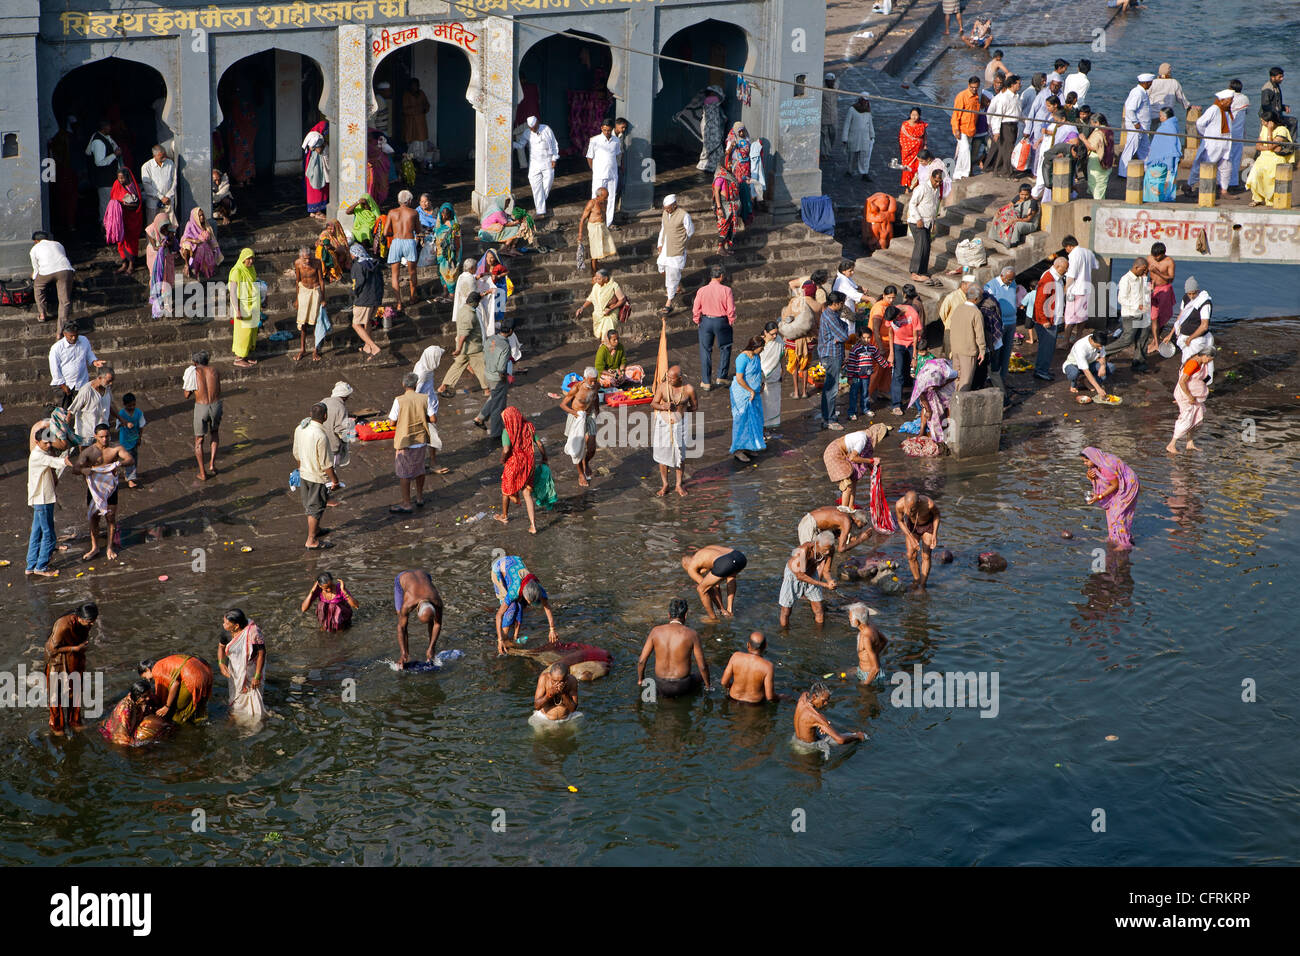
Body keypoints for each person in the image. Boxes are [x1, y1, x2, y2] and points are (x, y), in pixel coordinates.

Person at [75, 421, 130, 561]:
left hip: (111, 489)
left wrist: (118, 464)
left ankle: (109, 547)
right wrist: (83, 470)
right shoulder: (89, 452)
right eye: (101, 437)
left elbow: (130, 459)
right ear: (95, 436)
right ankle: (95, 547)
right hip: (95, 490)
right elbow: (75, 468)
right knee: (94, 518)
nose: (105, 439)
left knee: (110, 518)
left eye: (107, 436)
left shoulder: (115, 449)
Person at [637, 599, 711, 698]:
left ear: (668, 615)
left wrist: (641, 680)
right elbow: (702, 666)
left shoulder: (655, 631)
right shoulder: (692, 634)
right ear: (685, 616)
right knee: (701, 676)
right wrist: (708, 686)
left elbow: (641, 661)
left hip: (660, 685)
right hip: (682, 686)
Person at [45, 603, 97, 735]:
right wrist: (75, 648)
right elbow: (52, 649)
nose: (92, 625)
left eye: (93, 621)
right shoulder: (63, 625)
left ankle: (74, 721)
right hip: (58, 662)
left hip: (75, 660)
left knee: (76, 691)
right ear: (79, 618)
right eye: (90, 622)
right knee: (56, 695)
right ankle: (57, 726)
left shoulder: (84, 624)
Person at [292, 403, 339, 550]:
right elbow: (326, 464)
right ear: (325, 416)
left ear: (310, 413)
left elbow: (296, 452)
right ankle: (311, 540)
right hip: (316, 477)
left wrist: (300, 469)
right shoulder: (320, 435)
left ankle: (316, 530)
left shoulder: (300, 428)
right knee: (315, 508)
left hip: (304, 473)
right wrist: (334, 480)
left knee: (311, 505)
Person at [498, 405, 549, 534]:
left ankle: (504, 516)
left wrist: (503, 460)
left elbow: (506, 450)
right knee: (527, 493)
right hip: (529, 463)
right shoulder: (529, 427)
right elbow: (540, 444)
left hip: (514, 463)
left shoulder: (507, 432)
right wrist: (544, 458)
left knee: (506, 489)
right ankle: (533, 525)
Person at [492, 555, 556, 655]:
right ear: (523, 593)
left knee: (520, 605)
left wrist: (552, 629)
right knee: (511, 607)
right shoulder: (514, 591)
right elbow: (499, 615)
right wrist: (499, 639)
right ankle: (504, 639)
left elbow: (547, 607)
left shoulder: (538, 588)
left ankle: (514, 638)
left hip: (514, 563)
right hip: (499, 569)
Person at [26, 427, 68, 578]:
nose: (49, 445)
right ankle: (41, 566)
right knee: (49, 535)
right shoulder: (38, 455)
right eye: (46, 443)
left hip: (42, 500)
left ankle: (31, 565)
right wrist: (66, 461)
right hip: (43, 501)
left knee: (36, 533)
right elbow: (53, 462)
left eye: (50, 442)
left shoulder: (42, 453)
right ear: (37, 442)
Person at [389, 372, 432, 514]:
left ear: (403, 385)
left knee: (404, 473)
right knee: (420, 469)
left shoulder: (399, 400)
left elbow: (392, 422)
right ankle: (419, 497)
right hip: (420, 439)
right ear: (416, 384)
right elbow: (433, 418)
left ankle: (406, 503)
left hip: (405, 440)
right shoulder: (424, 398)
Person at [1080, 447, 1140, 550]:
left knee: (1117, 513)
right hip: (1118, 483)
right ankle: (1115, 537)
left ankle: (1124, 543)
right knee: (1111, 511)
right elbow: (1101, 479)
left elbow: (1114, 485)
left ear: (1093, 458)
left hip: (1128, 485)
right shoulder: (1098, 463)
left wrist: (1099, 496)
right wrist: (1090, 477)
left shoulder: (1106, 468)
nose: (1085, 464)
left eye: (1086, 461)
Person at [652, 362, 697, 497]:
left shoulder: (688, 389)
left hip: (680, 425)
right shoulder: (662, 387)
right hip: (663, 425)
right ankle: (665, 484)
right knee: (663, 455)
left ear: (680, 378)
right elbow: (653, 403)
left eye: (672, 378)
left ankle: (678, 484)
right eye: (668, 377)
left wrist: (681, 411)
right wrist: (663, 407)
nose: (669, 380)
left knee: (680, 456)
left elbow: (694, 407)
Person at [1184, 90, 1237, 199]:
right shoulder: (1214, 109)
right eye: (1230, 100)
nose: (1231, 102)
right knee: (1205, 166)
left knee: (1226, 167)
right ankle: (1191, 186)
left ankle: (1224, 190)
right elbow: (1200, 123)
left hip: (1225, 143)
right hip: (1213, 144)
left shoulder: (1227, 111)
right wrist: (1207, 135)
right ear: (1222, 100)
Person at [778, 532, 837, 627]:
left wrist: (830, 581)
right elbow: (800, 576)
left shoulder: (830, 549)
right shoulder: (804, 550)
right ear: (816, 543)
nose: (827, 553)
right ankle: (784, 633)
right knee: (786, 610)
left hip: (811, 573)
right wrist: (824, 585)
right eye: (825, 550)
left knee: (819, 609)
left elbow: (826, 570)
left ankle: (819, 635)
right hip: (793, 575)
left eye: (829, 550)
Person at [1160, 277, 1215, 375]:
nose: (1192, 296)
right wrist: (1170, 334)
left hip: (1196, 339)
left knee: (1194, 364)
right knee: (1186, 362)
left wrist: (1190, 338)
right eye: (1189, 293)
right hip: (1185, 337)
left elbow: (1204, 326)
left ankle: (1192, 385)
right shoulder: (1186, 298)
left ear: (1198, 290)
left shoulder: (1204, 303)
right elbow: (1180, 318)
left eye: (1194, 293)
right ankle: (1186, 384)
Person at [218, 609, 265, 724]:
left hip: (252, 668)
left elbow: (261, 653)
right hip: (235, 668)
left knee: (253, 694)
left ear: (236, 626)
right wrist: (221, 663)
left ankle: (255, 718)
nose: (224, 625)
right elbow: (221, 647)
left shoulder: (254, 633)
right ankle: (235, 712)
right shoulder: (226, 633)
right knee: (236, 694)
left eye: (227, 623)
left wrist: (257, 675)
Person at [693, 264, 736, 389]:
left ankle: (706, 381)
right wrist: (730, 321)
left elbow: (696, 308)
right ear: (721, 276)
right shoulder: (726, 290)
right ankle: (721, 377)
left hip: (706, 321)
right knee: (725, 348)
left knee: (705, 350)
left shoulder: (702, 290)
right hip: (721, 321)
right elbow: (731, 309)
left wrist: (697, 320)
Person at [138, 654, 214, 724]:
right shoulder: (163, 663)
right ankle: (201, 722)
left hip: (193, 675)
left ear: (147, 670)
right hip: (206, 670)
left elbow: (175, 683)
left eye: (145, 677)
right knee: (198, 708)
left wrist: (167, 706)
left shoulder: (156, 670)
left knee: (178, 711)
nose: (148, 680)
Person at [1168, 347, 1215, 455]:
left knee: (1194, 418)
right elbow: (1182, 381)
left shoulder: (1201, 363)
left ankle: (1190, 443)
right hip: (1188, 395)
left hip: (1195, 396)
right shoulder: (1192, 363)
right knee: (1186, 418)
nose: (1209, 362)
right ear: (1204, 356)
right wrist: (1188, 396)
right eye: (1209, 359)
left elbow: (1202, 378)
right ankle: (1171, 444)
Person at [440, 291, 489, 395]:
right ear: (474, 303)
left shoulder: (463, 310)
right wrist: (458, 349)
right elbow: (464, 334)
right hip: (472, 348)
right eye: (478, 302)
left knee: (456, 367)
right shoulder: (469, 315)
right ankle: (487, 390)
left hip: (464, 348)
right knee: (482, 368)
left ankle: (443, 386)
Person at [183, 351, 222, 480]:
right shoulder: (215, 371)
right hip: (216, 405)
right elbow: (218, 390)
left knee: (199, 440)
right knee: (214, 433)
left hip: (201, 406)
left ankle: (202, 472)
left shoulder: (193, 372)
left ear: (195, 363)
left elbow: (186, 395)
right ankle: (212, 464)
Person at [682, 544, 747, 621]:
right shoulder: (706, 552)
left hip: (726, 562)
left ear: (686, 565)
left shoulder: (691, 567)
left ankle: (713, 619)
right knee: (730, 575)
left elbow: (708, 589)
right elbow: (716, 585)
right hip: (740, 557)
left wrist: (721, 609)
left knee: (701, 589)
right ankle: (730, 611)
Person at [817, 292, 853, 428]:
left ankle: (827, 417)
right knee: (831, 389)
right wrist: (841, 334)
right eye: (842, 303)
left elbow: (842, 334)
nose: (843, 305)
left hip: (833, 352)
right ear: (836, 303)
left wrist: (840, 335)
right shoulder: (830, 316)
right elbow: (844, 336)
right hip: (831, 355)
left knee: (829, 388)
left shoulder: (831, 314)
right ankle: (830, 420)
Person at [560, 365, 600, 486]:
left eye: (595, 380)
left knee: (592, 448)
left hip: (590, 415)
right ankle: (581, 474)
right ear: (584, 378)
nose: (593, 383)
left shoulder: (597, 385)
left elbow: (596, 396)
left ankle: (586, 463)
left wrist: (597, 410)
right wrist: (575, 413)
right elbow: (563, 405)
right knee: (577, 448)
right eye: (590, 380)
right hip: (576, 417)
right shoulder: (576, 388)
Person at [822, 428, 880, 511]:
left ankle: (851, 506)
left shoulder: (863, 435)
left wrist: (869, 463)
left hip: (838, 450)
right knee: (848, 486)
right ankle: (843, 513)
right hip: (834, 454)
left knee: (853, 481)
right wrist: (871, 460)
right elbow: (853, 458)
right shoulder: (863, 440)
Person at [729, 335, 766, 464]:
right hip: (742, 394)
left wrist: (762, 383)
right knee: (741, 420)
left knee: (754, 419)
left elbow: (759, 372)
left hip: (754, 394)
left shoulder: (756, 357)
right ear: (755, 347)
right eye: (761, 348)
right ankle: (738, 449)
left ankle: (749, 446)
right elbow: (739, 379)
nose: (762, 350)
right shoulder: (742, 358)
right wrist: (750, 390)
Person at [49, 322, 104, 410]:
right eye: (71, 336)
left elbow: (89, 353)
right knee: (64, 410)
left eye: (76, 335)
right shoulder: (56, 348)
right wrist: (63, 386)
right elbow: (55, 369)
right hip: (63, 384)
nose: (74, 338)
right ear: (64, 334)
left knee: (84, 408)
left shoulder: (84, 340)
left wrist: (94, 361)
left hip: (81, 382)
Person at [1111, 257, 1153, 372]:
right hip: (1131, 314)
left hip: (1143, 314)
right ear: (1136, 267)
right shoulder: (1126, 279)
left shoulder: (1141, 278)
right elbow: (1121, 299)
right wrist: (1136, 305)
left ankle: (1139, 362)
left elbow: (1145, 294)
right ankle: (1104, 352)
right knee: (1127, 339)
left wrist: (1146, 281)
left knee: (1143, 338)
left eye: (1146, 270)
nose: (1145, 272)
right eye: (1143, 270)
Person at [655, 195, 695, 315]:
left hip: (677, 250)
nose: (666, 210)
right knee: (660, 266)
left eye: (668, 208)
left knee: (672, 275)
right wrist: (660, 243)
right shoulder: (665, 214)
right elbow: (663, 228)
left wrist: (682, 243)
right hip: (665, 248)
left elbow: (690, 231)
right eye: (665, 208)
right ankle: (677, 287)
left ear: (674, 205)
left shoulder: (684, 215)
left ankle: (669, 303)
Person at [394, 569, 443, 666]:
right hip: (403, 577)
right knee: (401, 618)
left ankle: (430, 651)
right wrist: (403, 653)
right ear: (416, 609)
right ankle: (406, 654)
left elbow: (437, 624)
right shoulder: (408, 604)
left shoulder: (437, 601)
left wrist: (432, 647)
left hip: (424, 575)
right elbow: (401, 627)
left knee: (432, 621)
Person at [514, 115, 559, 218]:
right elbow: (521, 145)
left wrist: (554, 158)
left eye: (534, 127)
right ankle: (540, 211)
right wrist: (510, 144)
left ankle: (540, 205)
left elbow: (554, 144)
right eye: (531, 128)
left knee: (547, 183)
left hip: (547, 161)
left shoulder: (546, 129)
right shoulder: (527, 133)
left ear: (537, 123)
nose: (533, 130)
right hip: (534, 163)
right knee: (535, 185)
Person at [99, 680, 169, 746]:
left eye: (149, 694)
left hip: (132, 728)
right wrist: (139, 744)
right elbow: (120, 739)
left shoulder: (139, 700)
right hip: (116, 735)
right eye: (144, 697)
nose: (148, 698)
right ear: (136, 696)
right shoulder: (125, 709)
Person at [794, 682, 865, 747]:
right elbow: (840, 740)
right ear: (814, 696)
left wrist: (820, 721)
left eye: (827, 700)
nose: (826, 703)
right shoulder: (815, 716)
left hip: (796, 741)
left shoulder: (803, 697)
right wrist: (857, 736)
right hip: (808, 749)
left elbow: (810, 714)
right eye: (824, 700)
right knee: (843, 736)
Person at [895, 491, 940, 590]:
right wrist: (911, 538)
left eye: (913, 508)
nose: (910, 511)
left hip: (927, 526)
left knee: (926, 555)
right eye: (908, 508)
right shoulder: (899, 504)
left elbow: (937, 515)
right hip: (912, 527)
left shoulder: (929, 504)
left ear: (918, 502)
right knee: (911, 555)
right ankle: (916, 580)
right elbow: (900, 521)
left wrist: (935, 535)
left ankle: (923, 585)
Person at [1246, 115, 1295, 206]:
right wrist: (1269, 148)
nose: (1262, 123)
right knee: (1254, 176)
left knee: (1271, 179)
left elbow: (1270, 145)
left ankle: (1271, 200)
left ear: (1271, 122)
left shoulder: (1282, 130)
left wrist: (1269, 130)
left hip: (1276, 158)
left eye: (1263, 121)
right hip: (1263, 157)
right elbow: (1258, 146)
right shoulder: (1263, 128)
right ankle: (1257, 198)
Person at [908, 352, 956, 445]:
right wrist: (928, 410)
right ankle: (922, 431)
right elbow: (922, 397)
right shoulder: (922, 380)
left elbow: (955, 376)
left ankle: (948, 431)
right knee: (927, 408)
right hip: (934, 386)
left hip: (946, 384)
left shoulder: (947, 371)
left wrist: (942, 385)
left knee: (948, 405)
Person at [984, 266, 1019, 390]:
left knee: (1007, 351)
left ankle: (1002, 379)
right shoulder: (991, 286)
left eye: (1012, 280)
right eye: (1008, 280)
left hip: (1012, 322)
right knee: (996, 352)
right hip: (999, 324)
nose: (1010, 282)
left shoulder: (1013, 282)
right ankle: (993, 378)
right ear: (1002, 275)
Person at [476, 324, 513, 441]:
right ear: (510, 331)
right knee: (498, 405)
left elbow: (485, 356)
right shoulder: (505, 345)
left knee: (494, 397)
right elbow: (502, 367)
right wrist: (503, 378)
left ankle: (480, 418)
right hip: (497, 377)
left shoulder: (490, 339)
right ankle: (496, 433)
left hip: (487, 373)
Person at [885, 302, 922, 415]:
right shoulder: (890, 312)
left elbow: (916, 336)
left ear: (898, 316)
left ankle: (919, 404)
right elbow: (890, 333)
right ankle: (896, 404)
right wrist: (891, 353)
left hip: (912, 343)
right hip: (898, 344)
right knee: (898, 373)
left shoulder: (912, 314)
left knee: (915, 372)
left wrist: (915, 356)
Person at [948, 286, 988, 391]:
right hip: (968, 351)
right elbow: (980, 334)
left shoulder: (958, 308)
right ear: (976, 299)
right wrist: (982, 351)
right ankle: (961, 403)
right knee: (966, 381)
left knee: (956, 377)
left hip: (956, 349)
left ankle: (955, 401)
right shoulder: (976, 313)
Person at [906, 168, 943, 282]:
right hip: (917, 221)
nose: (937, 184)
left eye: (939, 182)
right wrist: (918, 219)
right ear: (931, 178)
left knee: (926, 246)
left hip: (927, 223)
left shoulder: (936, 190)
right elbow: (912, 204)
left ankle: (922, 271)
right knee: (921, 245)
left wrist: (933, 222)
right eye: (936, 181)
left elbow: (933, 207)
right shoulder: (922, 188)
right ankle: (915, 272)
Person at [385, 190, 419, 312]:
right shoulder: (414, 212)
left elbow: (385, 232)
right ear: (409, 201)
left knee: (395, 275)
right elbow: (418, 230)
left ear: (399, 200)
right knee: (412, 272)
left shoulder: (392, 212)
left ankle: (399, 303)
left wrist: (394, 233)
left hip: (396, 241)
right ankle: (412, 297)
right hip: (409, 241)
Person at [30, 232, 75, 325]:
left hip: (46, 272)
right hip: (65, 270)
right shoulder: (58, 244)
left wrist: (33, 276)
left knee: (38, 288)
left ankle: (42, 314)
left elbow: (36, 269)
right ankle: (62, 327)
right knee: (64, 300)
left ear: (36, 241)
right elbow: (62, 257)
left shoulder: (34, 249)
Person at [104, 167, 143, 274]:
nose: (120, 180)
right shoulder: (116, 184)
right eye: (119, 178)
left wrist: (127, 204)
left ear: (127, 177)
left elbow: (138, 202)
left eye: (122, 178)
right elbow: (113, 198)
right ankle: (124, 263)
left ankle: (131, 264)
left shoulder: (132, 186)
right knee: (121, 241)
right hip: (120, 218)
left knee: (131, 241)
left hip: (132, 217)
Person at [721, 632, 778, 704]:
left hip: (733, 700)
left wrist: (730, 687)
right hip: (754, 705)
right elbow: (770, 697)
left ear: (748, 644)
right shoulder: (768, 666)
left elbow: (723, 682)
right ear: (765, 646)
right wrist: (780, 697)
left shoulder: (736, 656)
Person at [227, 248, 261, 368]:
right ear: (243, 259)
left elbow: (255, 283)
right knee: (243, 333)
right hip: (242, 306)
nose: (251, 261)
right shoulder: (236, 271)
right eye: (249, 259)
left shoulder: (251, 269)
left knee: (251, 331)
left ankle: (246, 355)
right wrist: (237, 310)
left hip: (252, 304)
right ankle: (238, 358)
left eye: (252, 258)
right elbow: (232, 292)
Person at [290, 245, 325, 363]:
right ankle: (302, 349)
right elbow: (297, 280)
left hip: (315, 290)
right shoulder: (297, 263)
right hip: (303, 291)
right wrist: (297, 299)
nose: (308, 260)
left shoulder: (317, 262)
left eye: (309, 258)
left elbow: (321, 280)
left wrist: (323, 298)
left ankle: (316, 349)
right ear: (301, 257)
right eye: (305, 258)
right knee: (303, 321)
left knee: (316, 321)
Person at [1062, 235, 1098, 343]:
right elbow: (1095, 266)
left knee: (1069, 318)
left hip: (1075, 290)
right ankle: (1078, 337)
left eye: (1065, 248)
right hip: (1086, 289)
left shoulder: (1074, 255)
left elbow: (1071, 276)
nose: (1066, 251)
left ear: (1069, 246)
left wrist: (1064, 289)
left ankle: (1065, 342)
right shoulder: (1087, 252)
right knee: (1082, 316)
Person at [1117, 74, 1155, 176]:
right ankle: (1123, 172)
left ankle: (1147, 169)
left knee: (1145, 149)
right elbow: (1130, 109)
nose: (1151, 85)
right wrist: (1135, 122)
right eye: (1150, 83)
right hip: (1137, 127)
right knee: (1130, 148)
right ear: (1146, 83)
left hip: (1143, 127)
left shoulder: (1141, 92)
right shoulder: (1138, 93)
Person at [585, 118, 621, 228]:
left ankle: (609, 222)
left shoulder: (616, 140)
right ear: (601, 128)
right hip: (599, 175)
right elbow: (589, 157)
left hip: (612, 175)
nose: (607, 132)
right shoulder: (595, 140)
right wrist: (594, 170)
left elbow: (618, 155)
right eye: (605, 130)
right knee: (596, 198)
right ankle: (593, 221)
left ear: (612, 129)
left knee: (611, 198)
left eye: (609, 130)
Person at [85, 118, 122, 220]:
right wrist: (114, 154)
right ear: (104, 127)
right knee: (106, 204)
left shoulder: (105, 138)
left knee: (113, 203)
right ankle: (105, 226)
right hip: (105, 179)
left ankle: (111, 225)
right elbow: (99, 162)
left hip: (111, 179)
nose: (110, 128)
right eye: (109, 126)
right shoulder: (98, 141)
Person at [987, 74, 1023, 178]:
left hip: (1014, 125)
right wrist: (996, 131)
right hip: (1006, 126)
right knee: (1008, 149)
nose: (1020, 85)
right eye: (1018, 84)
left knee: (1005, 149)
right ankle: (1007, 172)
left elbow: (1019, 113)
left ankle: (999, 170)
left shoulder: (1016, 97)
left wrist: (1027, 123)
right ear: (1012, 85)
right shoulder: (1004, 98)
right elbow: (998, 115)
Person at [67, 364, 113, 444]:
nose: (111, 383)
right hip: (87, 434)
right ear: (99, 378)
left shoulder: (107, 388)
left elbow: (110, 406)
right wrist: (66, 433)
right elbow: (71, 411)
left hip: (103, 433)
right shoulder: (86, 391)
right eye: (109, 381)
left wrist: (122, 420)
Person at [797, 505, 873, 552]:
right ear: (857, 520)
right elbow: (841, 549)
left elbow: (836, 532)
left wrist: (850, 539)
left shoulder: (846, 512)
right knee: (808, 554)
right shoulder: (846, 521)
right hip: (808, 525)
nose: (861, 527)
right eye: (862, 525)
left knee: (823, 553)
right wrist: (861, 539)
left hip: (811, 521)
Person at [577, 189, 618, 276]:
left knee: (606, 245)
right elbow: (582, 219)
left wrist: (606, 226)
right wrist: (580, 233)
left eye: (607, 196)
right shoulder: (591, 203)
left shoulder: (605, 202)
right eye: (605, 196)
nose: (607, 198)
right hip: (594, 227)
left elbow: (604, 214)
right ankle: (593, 272)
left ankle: (597, 264)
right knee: (595, 250)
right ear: (599, 196)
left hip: (602, 225)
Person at [428, 202, 461, 300]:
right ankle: (445, 291)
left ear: (450, 214)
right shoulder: (438, 226)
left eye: (446, 214)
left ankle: (452, 294)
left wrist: (455, 252)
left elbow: (457, 240)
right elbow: (437, 238)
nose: (444, 215)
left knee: (450, 273)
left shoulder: (454, 225)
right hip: (440, 254)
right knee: (441, 273)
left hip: (450, 254)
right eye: (442, 213)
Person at [179, 208, 223, 280]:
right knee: (186, 245)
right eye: (199, 216)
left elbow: (212, 239)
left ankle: (206, 270)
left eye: (202, 215)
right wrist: (194, 241)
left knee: (203, 246)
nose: (202, 217)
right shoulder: (189, 224)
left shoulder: (206, 225)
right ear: (195, 217)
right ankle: (187, 265)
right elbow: (185, 238)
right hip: (193, 248)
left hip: (205, 248)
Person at [1063, 330, 1109, 400]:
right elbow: (1086, 371)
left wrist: (1103, 366)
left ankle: (1085, 380)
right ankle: (1074, 383)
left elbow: (1103, 355)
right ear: (1092, 341)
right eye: (1098, 346)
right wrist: (1098, 389)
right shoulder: (1081, 347)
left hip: (1089, 363)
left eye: (1101, 346)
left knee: (1110, 368)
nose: (1100, 348)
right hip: (1073, 365)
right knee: (1074, 373)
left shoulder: (1099, 340)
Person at [321, 380, 355, 472]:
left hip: (318, 442)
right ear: (345, 396)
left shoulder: (324, 401)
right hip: (331, 447)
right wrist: (351, 433)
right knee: (330, 471)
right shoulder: (341, 408)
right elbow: (341, 431)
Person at [951, 77, 982, 178]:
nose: (974, 89)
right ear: (968, 85)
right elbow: (956, 114)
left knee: (962, 152)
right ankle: (965, 172)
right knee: (965, 150)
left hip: (971, 129)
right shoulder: (962, 96)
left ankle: (957, 173)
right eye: (972, 87)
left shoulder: (977, 97)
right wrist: (956, 129)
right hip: (962, 128)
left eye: (976, 88)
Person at [140, 144, 177, 228]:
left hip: (168, 202)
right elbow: (147, 186)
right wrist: (161, 197)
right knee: (153, 226)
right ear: (154, 156)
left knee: (169, 226)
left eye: (164, 154)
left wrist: (167, 196)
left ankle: (168, 241)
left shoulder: (170, 163)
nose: (164, 157)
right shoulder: (146, 166)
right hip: (153, 202)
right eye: (161, 156)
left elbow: (174, 181)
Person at [849, 603, 887, 684]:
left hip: (869, 675)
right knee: (842, 673)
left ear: (856, 621)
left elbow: (875, 668)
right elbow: (885, 640)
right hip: (862, 669)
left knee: (863, 693)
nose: (849, 619)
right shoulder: (872, 626)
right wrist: (875, 653)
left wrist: (865, 684)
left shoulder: (866, 638)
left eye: (850, 617)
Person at [843, 332, 877, 422]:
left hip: (867, 375)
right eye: (864, 338)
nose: (866, 340)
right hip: (856, 376)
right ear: (859, 338)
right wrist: (849, 377)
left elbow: (878, 358)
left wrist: (887, 364)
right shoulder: (855, 349)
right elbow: (851, 364)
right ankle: (852, 412)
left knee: (865, 393)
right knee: (853, 394)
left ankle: (865, 409)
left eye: (868, 338)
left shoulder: (872, 348)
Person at [758, 320, 785, 431]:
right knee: (762, 404)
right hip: (761, 378)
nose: (774, 336)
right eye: (772, 334)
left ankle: (769, 426)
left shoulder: (779, 341)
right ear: (765, 332)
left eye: (776, 333)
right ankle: (761, 428)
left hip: (775, 377)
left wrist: (783, 371)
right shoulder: (758, 342)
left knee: (773, 402)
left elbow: (781, 357)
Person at [115, 392, 145, 488]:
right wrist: (125, 423)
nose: (132, 407)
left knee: (134, 458)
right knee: (129, 458)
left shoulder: (138, 413)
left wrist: (140, 437)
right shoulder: (122, 414)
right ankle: (130, 478)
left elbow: (141, 426)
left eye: (133, 405)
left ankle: (130, 474)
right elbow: (117, 425)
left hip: (135, 439)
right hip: (125, 441)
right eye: (129, 406)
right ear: (124, 405)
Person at [842, 94, 875, 181]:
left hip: (865, 138)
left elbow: (870, 124)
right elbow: (847, 124)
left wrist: (872, 135)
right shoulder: (852, 109)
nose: (865, 102)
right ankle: (850, 170)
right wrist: (844, 138)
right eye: (864, 100)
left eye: (866, 101)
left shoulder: (868, 111)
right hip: (854, 137)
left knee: (864, 157)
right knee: (852, 155)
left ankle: (864, 173)